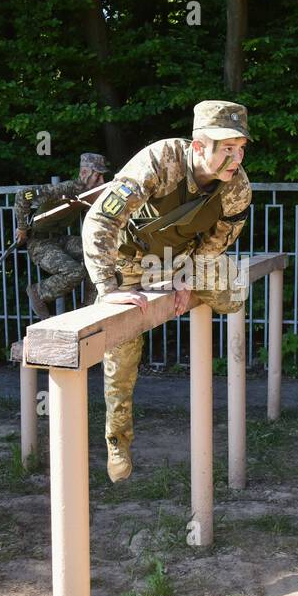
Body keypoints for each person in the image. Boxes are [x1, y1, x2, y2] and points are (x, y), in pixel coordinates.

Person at [81, 100, 253, 481]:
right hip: (127, 263)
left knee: (234, 295)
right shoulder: (160, 161)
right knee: (121, 361)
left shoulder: (237, 188)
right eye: (226, 148)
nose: (235, 158)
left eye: (240, 148)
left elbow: (220, 237)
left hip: (177, 262)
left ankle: (195, 281)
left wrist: (188, 275)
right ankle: (117, 440)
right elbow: (101, 219)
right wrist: (108, 288)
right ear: (198, 146)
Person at [13, 153, 111, 319]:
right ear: (85, 173)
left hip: (58, 239)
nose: (101, 181)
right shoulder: (64, 189)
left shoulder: (90, 194)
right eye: (98, 175)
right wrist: (22, 228)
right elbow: (23, 195)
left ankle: (88, 306)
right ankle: (39, 292)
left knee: (97, 253)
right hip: (39, 242)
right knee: (75, 272)